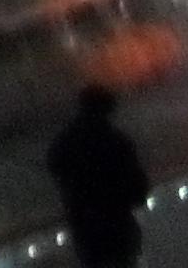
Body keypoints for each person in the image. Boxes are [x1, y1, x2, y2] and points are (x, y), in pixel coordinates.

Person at [46, 83, 150, 268]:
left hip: (84, 222)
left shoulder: (65, 141)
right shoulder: (117, 141)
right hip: (116, 221)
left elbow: (55, 167)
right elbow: (137, 185)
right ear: (109, 108)